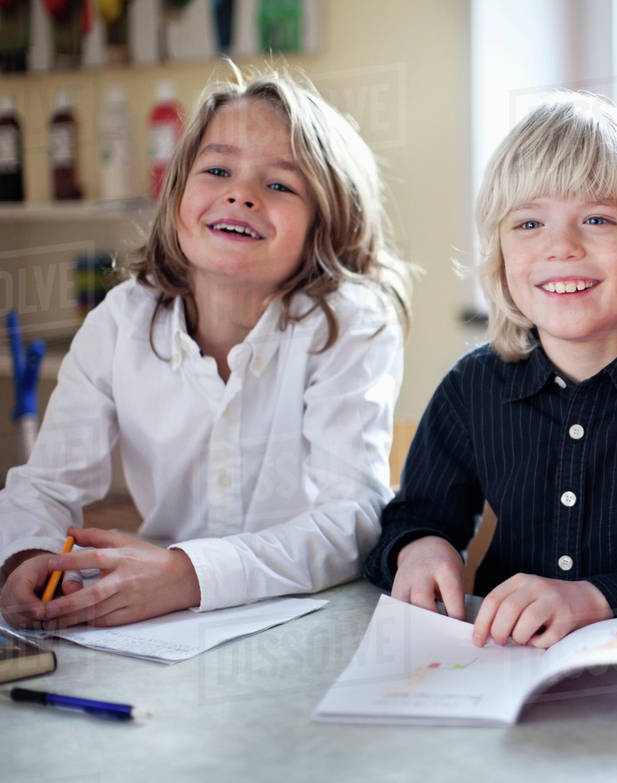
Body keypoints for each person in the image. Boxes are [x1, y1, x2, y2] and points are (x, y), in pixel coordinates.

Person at [0, 65, 412, 629]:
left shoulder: (350, 324)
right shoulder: (121, 320)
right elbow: (47, 485)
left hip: (315, 615)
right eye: (217, 169)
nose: (240, 194)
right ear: (176, 196)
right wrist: (25, 557)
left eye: (280, 184)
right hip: (158, 628)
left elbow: (354, 521)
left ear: (327, 222)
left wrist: (189, 574)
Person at [364, 92, 617, 648]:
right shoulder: (473, 386)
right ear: (500, 253)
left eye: (598, 219)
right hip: (505, 664)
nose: (561, 247)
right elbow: (415, 515)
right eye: (529, 223)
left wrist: (594, 598)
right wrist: (420, 547)